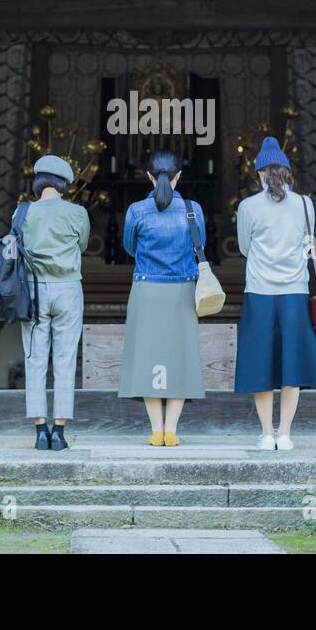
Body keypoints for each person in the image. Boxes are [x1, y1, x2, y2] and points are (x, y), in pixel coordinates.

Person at [234, 137, 316, 451]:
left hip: (259, 291)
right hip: (294, 292)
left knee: (261, 363)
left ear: (260, 173)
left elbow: (245, 249)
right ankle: (285, 433)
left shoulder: (248, 206)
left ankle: (266, 434)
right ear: (287, 172)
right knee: (292, 363)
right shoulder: (305, 204)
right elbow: (309, 243)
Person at [119, 149, 206, 446]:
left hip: (146, 289)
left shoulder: (136, 210)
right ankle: (172, 430)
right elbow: (200, 246)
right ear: (179, 176)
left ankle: (156, 430)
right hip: (182, 291)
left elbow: (129, 248)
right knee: (180, 357)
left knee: (148, 357)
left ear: (148, 176)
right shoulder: (193, 209)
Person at [17, 154, 90, 451]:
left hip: (33, 291)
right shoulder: (77, 213)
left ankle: (38, 431)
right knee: (64, 359)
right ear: (63, 184)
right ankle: (59, 431)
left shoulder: (21, 213)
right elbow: (82, 244)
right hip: (68, 288)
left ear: (37, 182)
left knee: (34, 359)